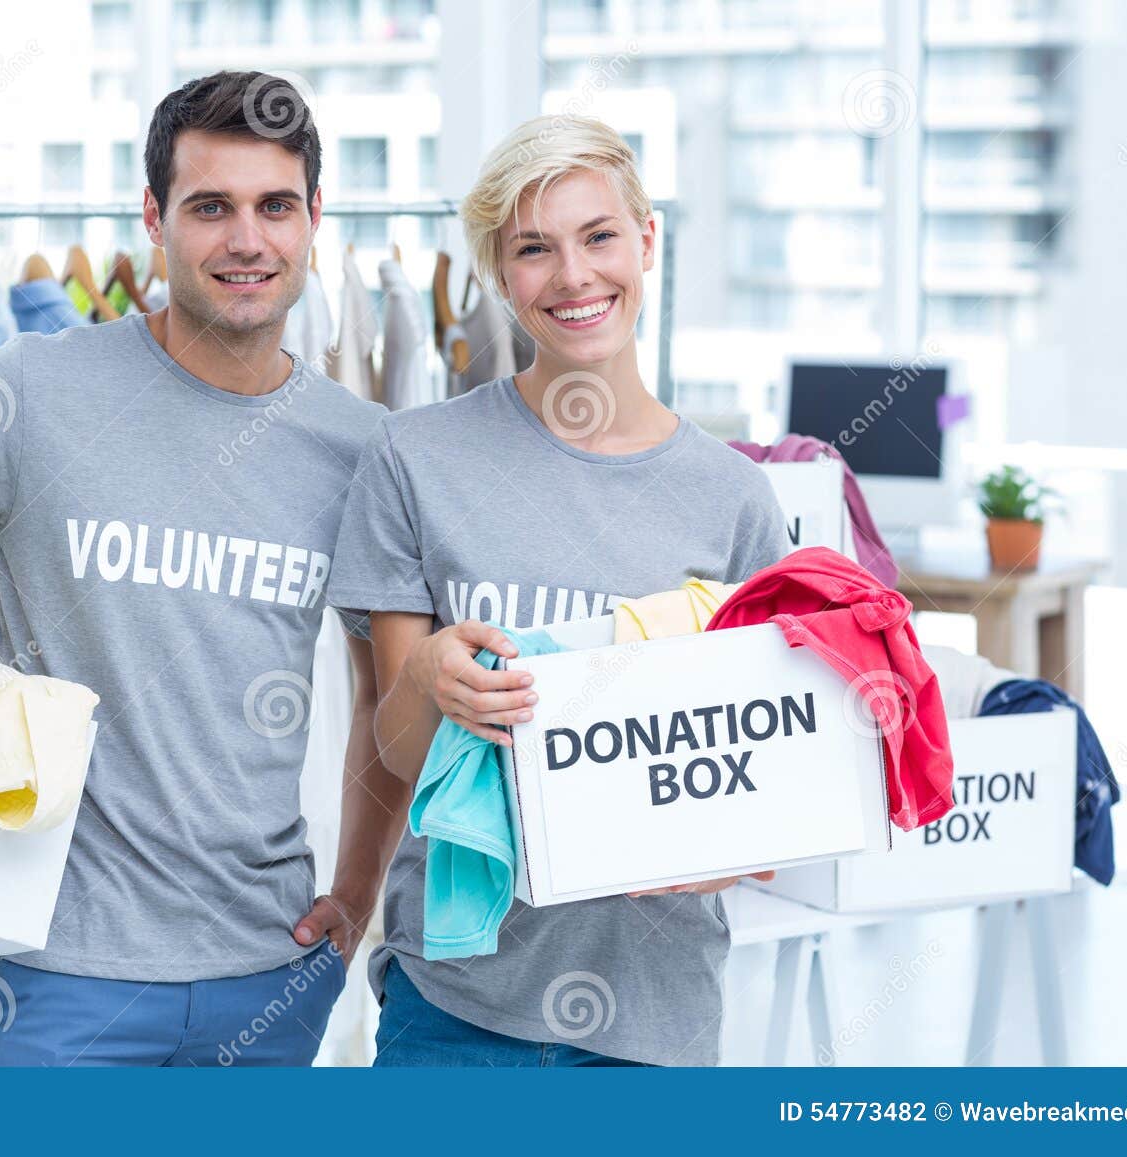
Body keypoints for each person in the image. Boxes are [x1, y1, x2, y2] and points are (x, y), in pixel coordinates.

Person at [0, 71, 411, 1066]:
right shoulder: (28, 393)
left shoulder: (363, 447)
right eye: (209, 208)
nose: (246, 240)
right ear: (154, 218)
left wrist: (356, 892)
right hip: (54, 974)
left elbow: (383, 688)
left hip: (271, 973)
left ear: (314, 217)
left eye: (274, 206)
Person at [327, 115, 791, 1067]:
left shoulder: (736, 499)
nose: (575, 276)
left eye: (599, 236)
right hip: (455, 1009)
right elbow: (397, 747)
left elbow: (769, 777)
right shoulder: (415, 458)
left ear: (647, 240)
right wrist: (431, 681)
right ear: (502, 277)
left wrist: (737, 847)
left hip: (653, 1016)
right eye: (535, 249)